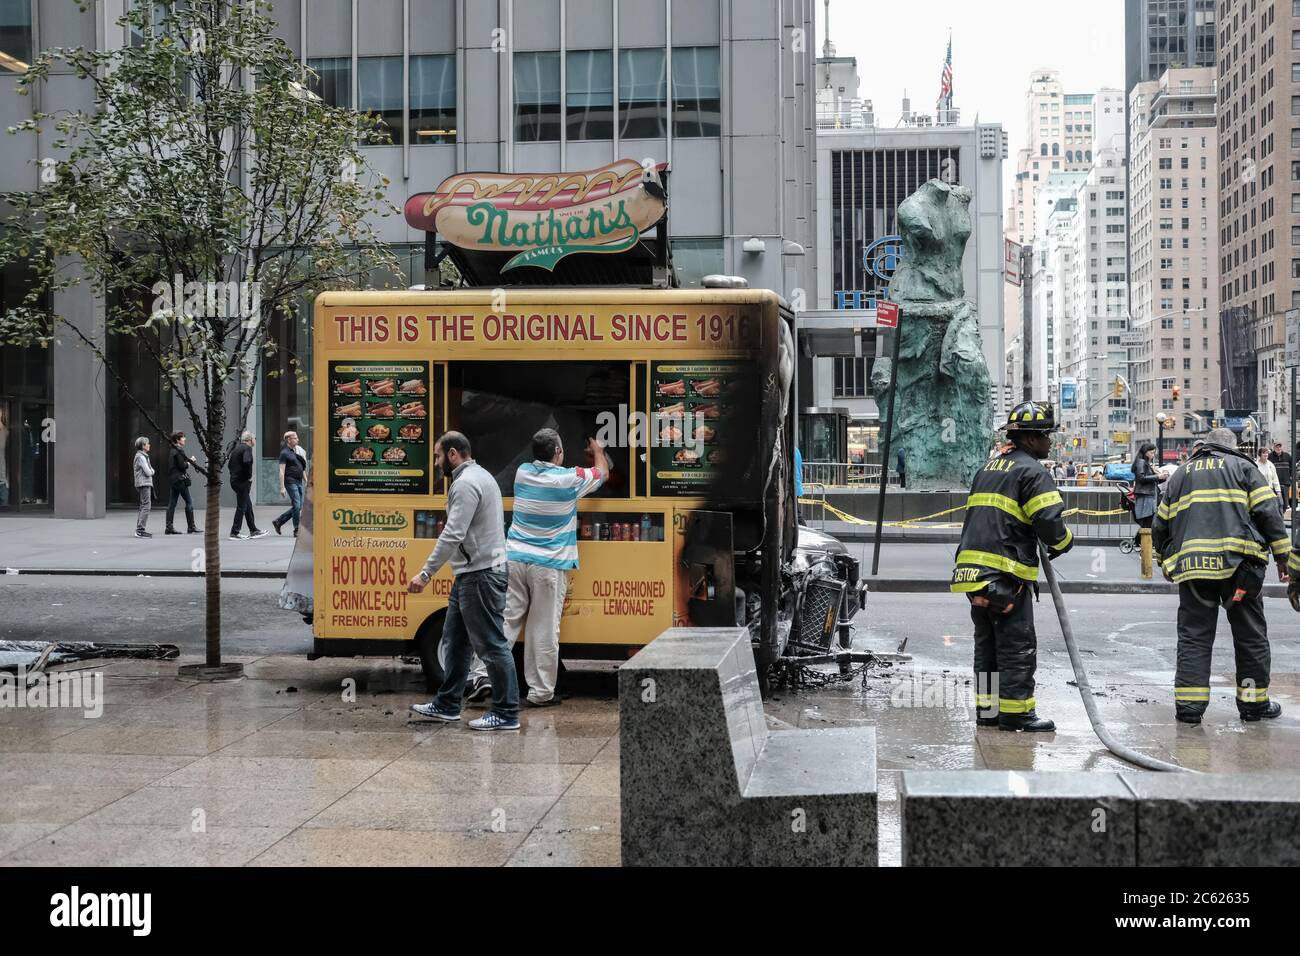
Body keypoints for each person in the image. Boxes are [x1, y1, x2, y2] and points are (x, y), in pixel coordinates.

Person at [951, 401, 1074, 732]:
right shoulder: (1033, 472)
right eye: (1047, 435)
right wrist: (1064, 543)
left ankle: (988, 712)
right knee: (1016, 646)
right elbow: (1049, 523)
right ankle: (1018, 715)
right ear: (1031, 439)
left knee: (987, 646)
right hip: (1005, 574)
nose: (1050, 442)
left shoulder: (989, 468)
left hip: (973, 574)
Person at [1152, 428, 1288, 724]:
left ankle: (1189, 708)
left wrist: (1163, 560)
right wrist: (1283, 558)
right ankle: (1253, 705)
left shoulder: (1181, 474)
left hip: (1193, 569)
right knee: (1249, 634)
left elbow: (1160, 523)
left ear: (1206, 446)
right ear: (1233, 447)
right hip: (1239, 568)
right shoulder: (1244, 468)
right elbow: (1269, 513)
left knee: (1194, 636)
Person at [464, 429, 607, 706]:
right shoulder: (568, 480)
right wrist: (598, 451)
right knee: (542, 629)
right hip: (548, 567)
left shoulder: (522, 472)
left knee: (505, 621)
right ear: (557, 452)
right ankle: (541, 693)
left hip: (515, 558)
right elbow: (602, 474)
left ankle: (482, 676)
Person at [408, 431, 519, 731]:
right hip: (472, 574)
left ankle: (507, 712)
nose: (435, 463)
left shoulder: (466, 484)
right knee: (455, 642)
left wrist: (426, 572)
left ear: (453, 454)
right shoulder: (482, 477)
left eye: (437, 456)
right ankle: (447, 704)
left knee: (492, 645)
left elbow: (453, 533)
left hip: (481, 575)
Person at [228, 431, 269, 539]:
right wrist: (248, 476)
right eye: (254, 438)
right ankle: (234, 532)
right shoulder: (247, 449)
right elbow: (247, 462)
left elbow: (229, 465)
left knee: (247, 506)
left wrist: (235, 474)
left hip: (235, 480)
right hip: (242, 482)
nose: (255, 440)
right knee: (242, 507)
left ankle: (253, 530)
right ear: (250, 440)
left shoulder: (237, 449)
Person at [165, 431, 200, 535]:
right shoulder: (179, 450)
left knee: (172, 503)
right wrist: (191, 461)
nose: (185, 439)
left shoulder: (172, 450)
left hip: (173, 480)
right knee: (189, 501)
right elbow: (182, 466)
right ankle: (191, 527)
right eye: (183, 437)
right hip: (180, 480)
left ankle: (169, 527)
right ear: (177, 440)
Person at [272, 431, 306, 536]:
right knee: (296, 505)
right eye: (295, 438)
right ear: (289, 440)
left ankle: (279, 521)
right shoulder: (284, 453)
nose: (298, 439)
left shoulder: (298, 451)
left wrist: (306, 480)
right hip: (290, 481)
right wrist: (282, 487)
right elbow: (281, 471)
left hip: (299, 481)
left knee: (299, 506)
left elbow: (303, 469)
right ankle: (296, 529)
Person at [1131, 441, 1159, 549]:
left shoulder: (1144, 463)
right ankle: (1144, 546)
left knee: (1148, 522)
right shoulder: (1141, 462)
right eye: (1152, 452)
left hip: (1148, 495)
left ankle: (1143, 545)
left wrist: (1159, 476)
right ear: (1146, 453)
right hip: (1145, 496)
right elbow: (1141, 478)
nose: (1153, 455)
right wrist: (1158, 476)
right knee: (1147, 522)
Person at [133, 437, 155, 538]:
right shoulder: (141, 457)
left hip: (143, 483)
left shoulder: (144, 456)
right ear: (143, 446)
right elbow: (149, 471)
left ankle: (139, 529)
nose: (149, 445)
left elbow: (151, 470)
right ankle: (140, 530)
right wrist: (151, 472)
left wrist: (151, 471)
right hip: (144, 483)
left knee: (143, 506)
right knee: (146, 506)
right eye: (147, 443)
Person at [1255, 445, 1283, 511]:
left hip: (1269, 490)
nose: (1266, 454)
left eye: (1267, 453)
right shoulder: (1255, 465)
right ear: (1260, 454)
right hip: (1259, 491)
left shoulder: (1271, 465)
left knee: (1270, 509)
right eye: (1264, 453)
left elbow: (1275, 478)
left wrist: (1278, 491)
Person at [1268, 441, 1293, 514]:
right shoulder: (1270, 457)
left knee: (1285, 503)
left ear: (1281, 447)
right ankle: (1278, 517)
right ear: (1274, 447)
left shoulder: (1287, 456)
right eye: (1276, 447)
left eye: (1279, 446)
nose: (1278, 448)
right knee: (1275, 503)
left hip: (1285, 483)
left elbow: (1292, 468)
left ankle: (1282, 515)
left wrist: (1291, 478)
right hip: (1274, 485)